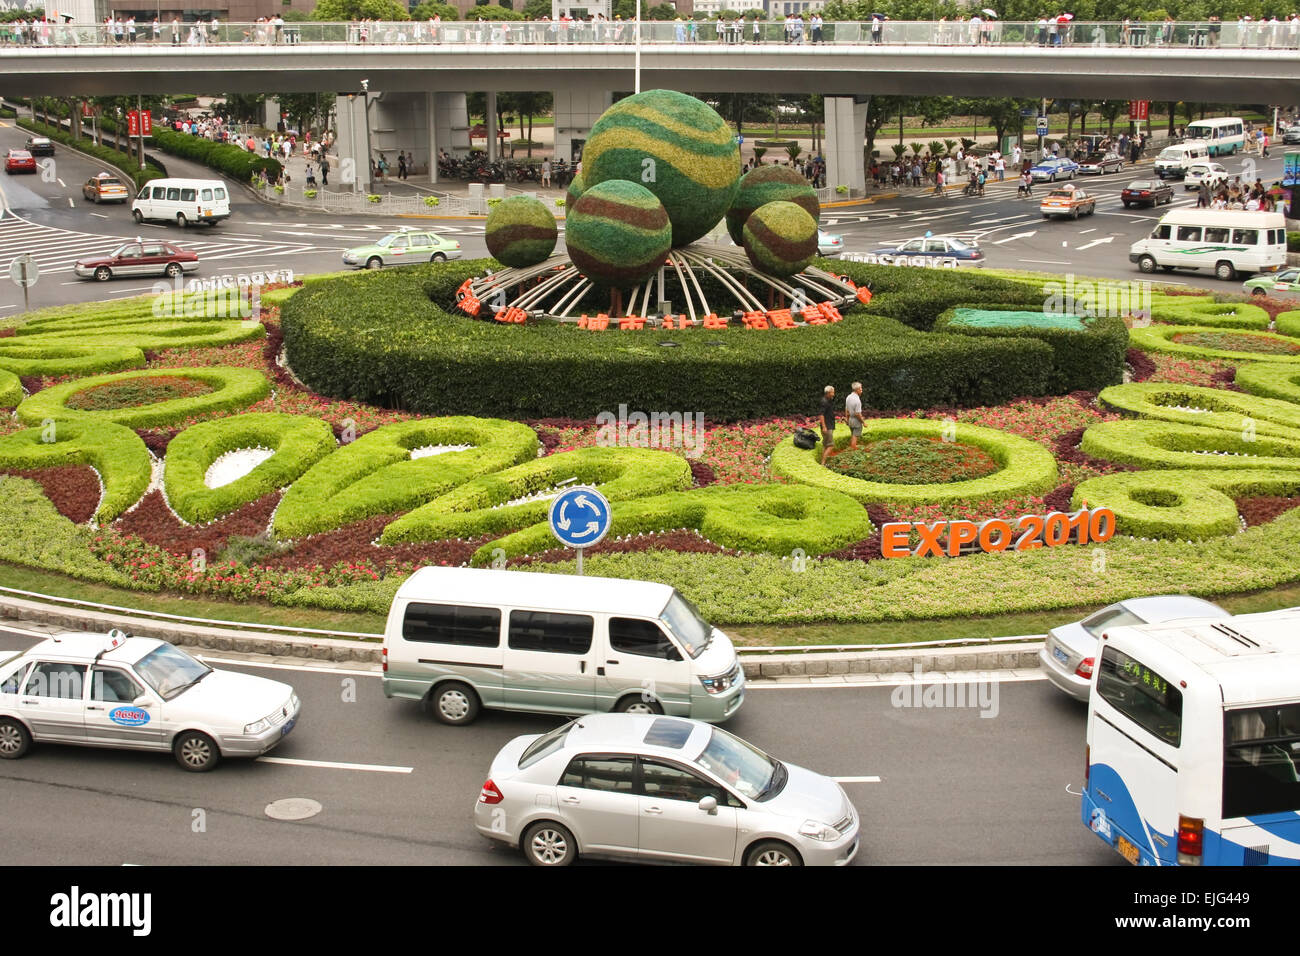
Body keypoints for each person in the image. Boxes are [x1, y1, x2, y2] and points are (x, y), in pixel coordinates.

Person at [819, 386, 836, 465]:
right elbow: (821, 415)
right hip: (827, 427)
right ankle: (823, 463)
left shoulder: (827, 401)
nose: (833, 394)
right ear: (828, 393)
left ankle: (822, 462)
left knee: (826, 445)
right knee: (831, 445)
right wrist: (824, 427)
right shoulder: (824, 402)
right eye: (832, 392)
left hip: (828, 426)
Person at [844, 382, 864, 450]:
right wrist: (863, 422)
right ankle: (853, 450)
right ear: (857, 389)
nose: (862, 390)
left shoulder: (848, 397)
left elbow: (846, 410)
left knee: (852, 435)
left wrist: (847, 419)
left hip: (850, 420)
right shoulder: (857, 400)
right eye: (861, 388)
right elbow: (857, 414)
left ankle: (852, 449)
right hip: (856, 421)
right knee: (855, 437)